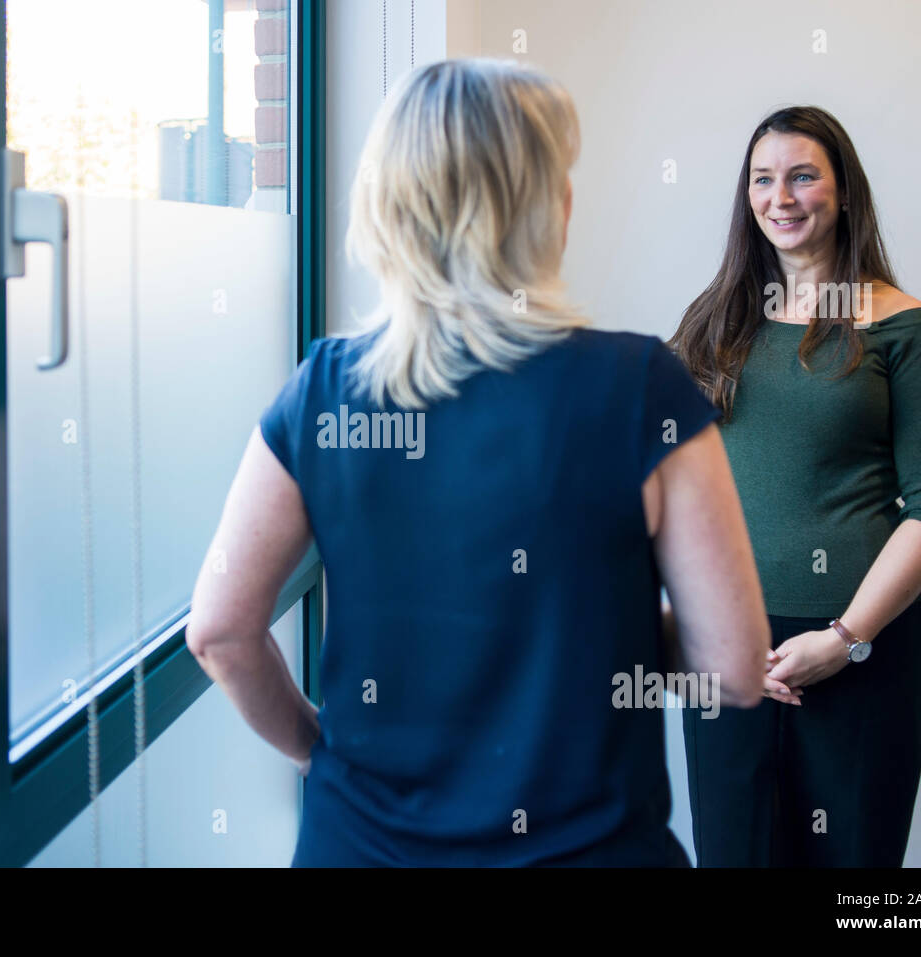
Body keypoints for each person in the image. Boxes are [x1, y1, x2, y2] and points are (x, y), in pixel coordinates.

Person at [186, 58, 768, 866]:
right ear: (544, 210)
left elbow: (218, 631)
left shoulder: (321, 392)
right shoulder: (639, 388)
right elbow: (734, 667)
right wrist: (610, 619)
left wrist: (321, 757)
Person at [669, 105, 921, 867]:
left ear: (843, 191)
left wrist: (844, 639)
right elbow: (661, 480)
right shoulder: (710, 323)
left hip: (859, 656)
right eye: (763, 179)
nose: (781, 196)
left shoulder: (904, 326)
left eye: (803, 175)